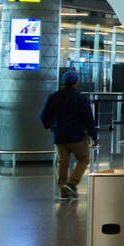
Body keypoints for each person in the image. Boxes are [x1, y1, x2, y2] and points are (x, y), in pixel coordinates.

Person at [40, 70, 98, 200]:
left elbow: (43, 115)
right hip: (76, 136)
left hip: (59, 136)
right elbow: (88, 119)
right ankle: (72, 183)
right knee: (84, 159)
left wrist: (50, 126)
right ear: (77, 82)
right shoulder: (82, 98)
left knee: (62, 162)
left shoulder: (53, 96)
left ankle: (63, 191)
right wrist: (94, 136)